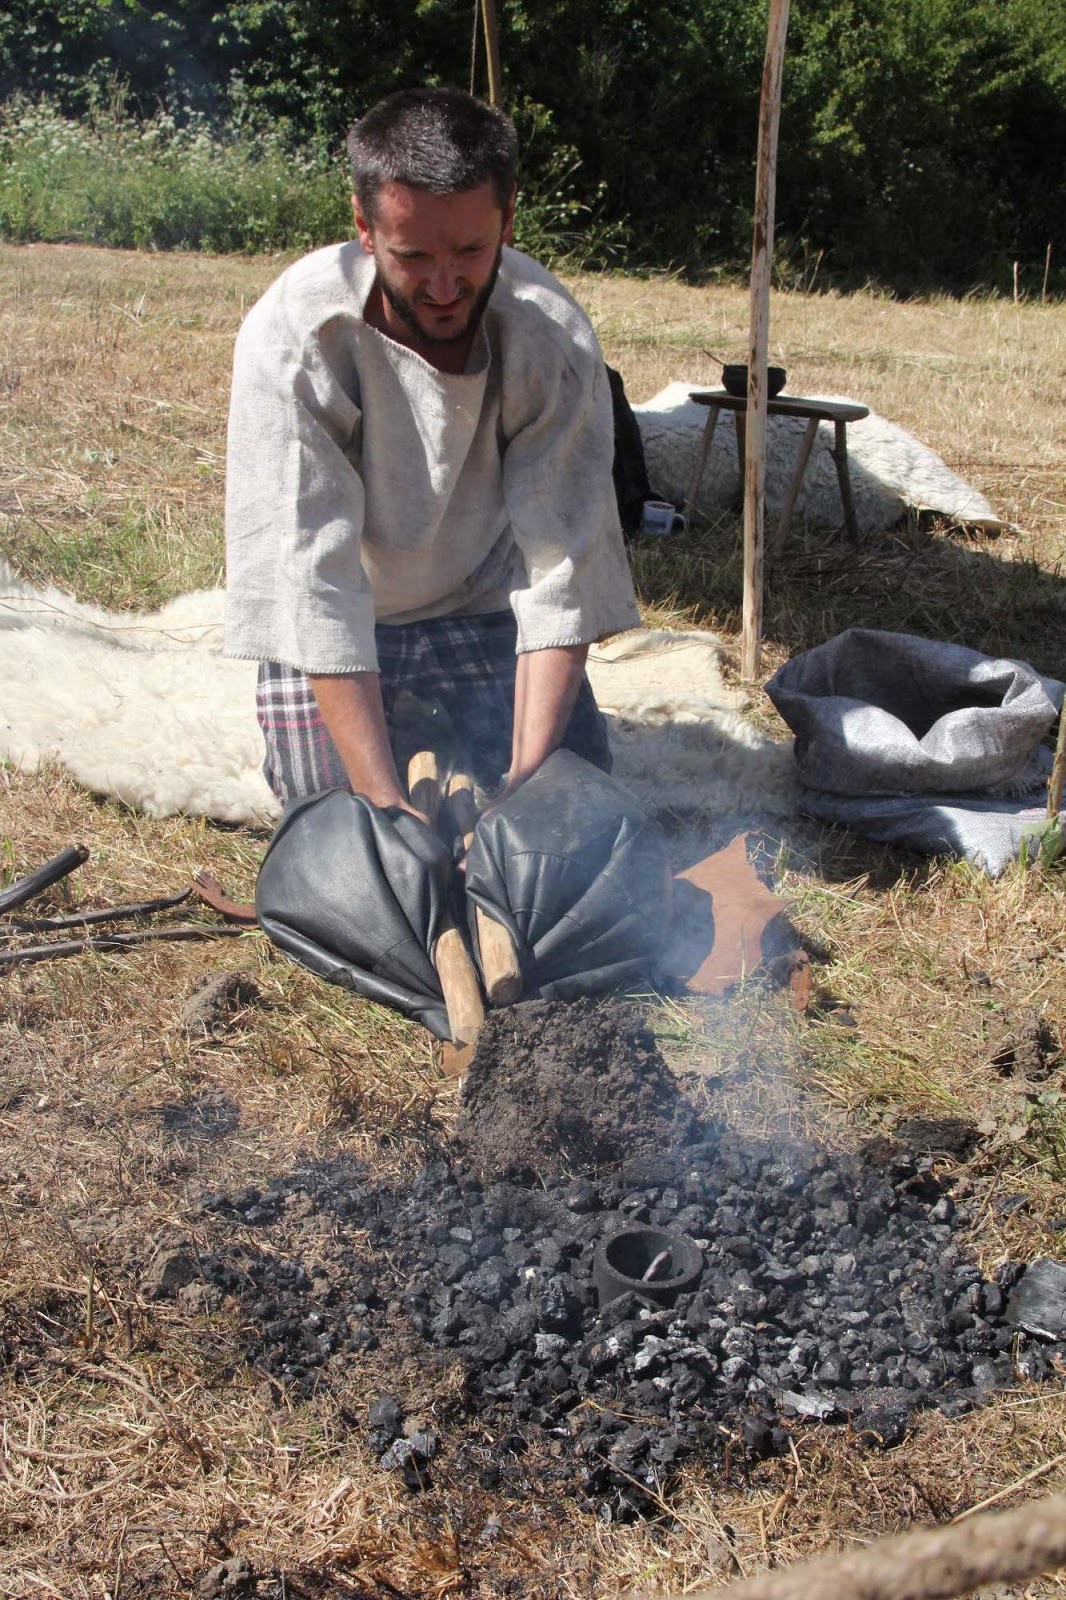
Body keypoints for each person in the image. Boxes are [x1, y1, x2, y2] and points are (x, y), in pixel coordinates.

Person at [224, 86, 640, 817]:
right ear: (364, 228)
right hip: (346, 618)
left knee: (570, 809)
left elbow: (562, 569)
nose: (446, 287)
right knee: (336, 823)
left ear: (508, 222)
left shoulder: (548, 337)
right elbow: (310, 576)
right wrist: (384, 801)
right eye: (413, 255)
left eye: (473, 250)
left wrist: (530, 780)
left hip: (482, 603)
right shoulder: (297, 339)